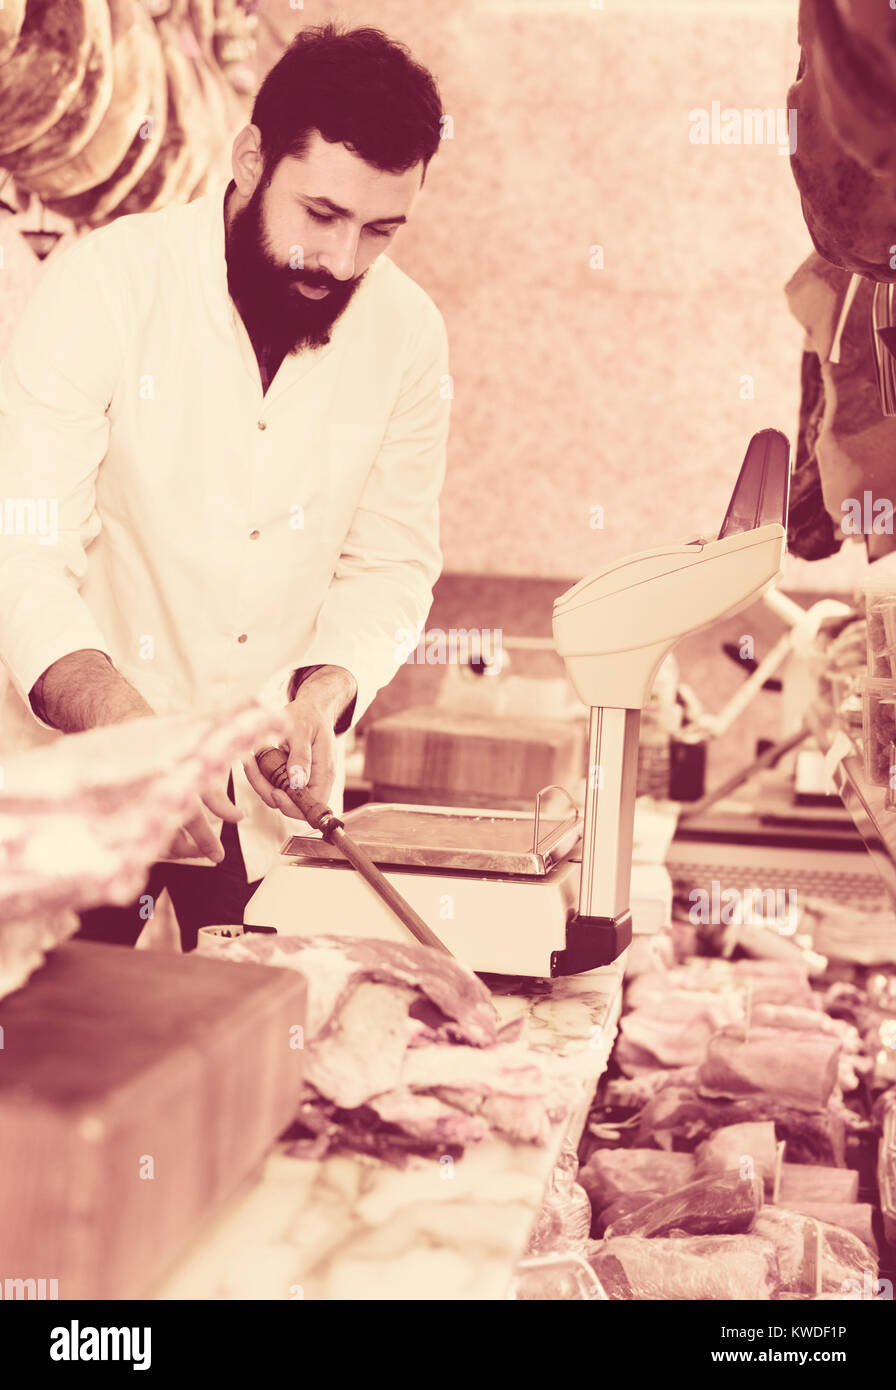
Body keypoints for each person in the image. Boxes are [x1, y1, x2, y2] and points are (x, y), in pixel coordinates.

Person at [0, 22, 451, 950]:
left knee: (244, 1056)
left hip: (259, 813)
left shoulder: (408, 333)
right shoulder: (107, 287)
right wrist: (139, 742)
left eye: (379, 229)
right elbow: (21, 547)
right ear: (250, 159)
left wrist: (328, 689)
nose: (341, 260)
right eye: (321, 214)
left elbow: (392, 567)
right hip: (71, 799)